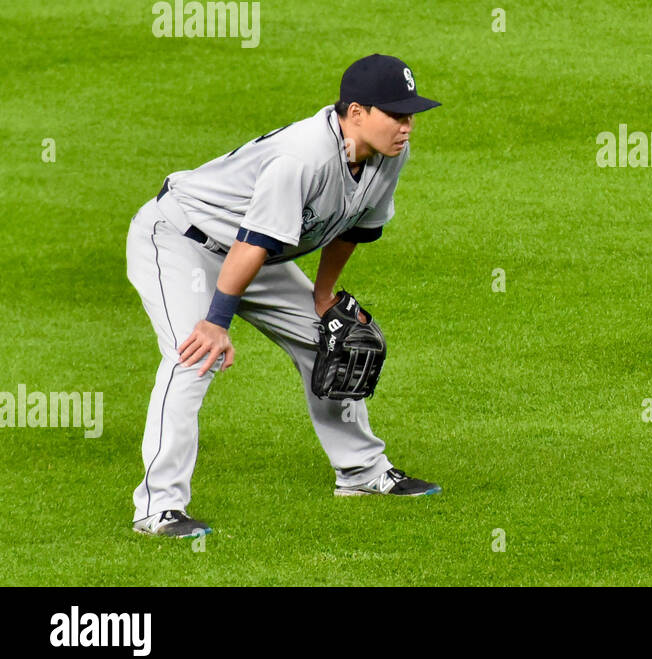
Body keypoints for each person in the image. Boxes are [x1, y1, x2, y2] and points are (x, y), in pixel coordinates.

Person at [125, 54, 442, 538]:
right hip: (181, 240)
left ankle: (361, 472)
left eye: (410, 114)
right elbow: (252, 243)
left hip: (254, 254)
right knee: (194, 356)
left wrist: (323, 293)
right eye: (396, 115)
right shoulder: (303, 156)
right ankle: (158, 508)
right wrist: (216, 321)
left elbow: (355, 227)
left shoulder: (388, 154)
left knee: (330, 339)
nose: (407, 126)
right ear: (356, 113)